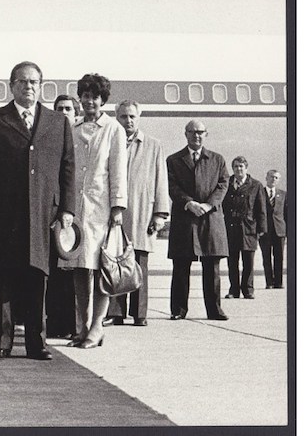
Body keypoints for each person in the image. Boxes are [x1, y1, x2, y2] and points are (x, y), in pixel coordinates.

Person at [0, 61, 75, 361]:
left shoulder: (57, 122)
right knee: (4, 278)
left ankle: (36, 343)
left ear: (41, 86)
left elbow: (68, 168)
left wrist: (68, 208)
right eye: (22, 82)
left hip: (44, 213)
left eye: (34, 82)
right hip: (5, 215)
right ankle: (2, 342)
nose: (28, 87)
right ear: (11, 85)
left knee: (38, 279)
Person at [59, 74, 128, 348]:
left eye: (95, 97)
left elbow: (118, 170)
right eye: (85, 96)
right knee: (78, 267)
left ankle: (97, 326)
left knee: (101, 269)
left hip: (101, 209)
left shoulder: (113, 129)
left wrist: (118, 207)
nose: (89, 101)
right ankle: (82, 326)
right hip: (76, 209)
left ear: (102, 100)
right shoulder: (73, 128)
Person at [105, 100, 169, 327]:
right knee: (115, 263)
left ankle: (140, 313)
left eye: (132, 116)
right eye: (123, 117)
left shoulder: (153, 145)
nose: (128, 121)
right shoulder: (111, 140)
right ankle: (116, 312)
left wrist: (160, 214)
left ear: (138, 117)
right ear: (117, 118)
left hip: (143, 212)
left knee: (140, 264)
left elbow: (161, 181)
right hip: (116, 214)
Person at [167, 119, 229, 321]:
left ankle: (214, 310)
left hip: (210, 219)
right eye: (192, 131)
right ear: (185, 134)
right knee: (181, 266)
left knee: (212, 267)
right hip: (185, 218)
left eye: (200, 132)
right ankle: (178, 310)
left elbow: (223, 184)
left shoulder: (217, 159)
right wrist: (189, 203)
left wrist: (209, 204)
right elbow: (172, 186)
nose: (197, 135)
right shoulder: (174, 160)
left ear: (206, 134)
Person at [46, 94, 81, 338]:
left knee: (73, 272)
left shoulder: (80, 135)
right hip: (55, 210)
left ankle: (72, 324)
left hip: (77, 210)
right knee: (56, 271)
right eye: (59, 108)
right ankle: (56, 323)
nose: (64, 112)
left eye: (68, 108)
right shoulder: (51, 134)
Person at [222, 156, 267, 300]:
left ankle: (248, 290)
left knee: (248, 261)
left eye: (241, 166)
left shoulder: (256, 185)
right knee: (232, 261)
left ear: (246, 168)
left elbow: (261, 208)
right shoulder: (227, 183)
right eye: (235, 166)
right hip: (230, 228)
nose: (238, 169)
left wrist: (262, 229)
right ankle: (233, 290)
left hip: (248, 228)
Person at [259, 170, 287, 289]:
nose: (273, 179)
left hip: (279, 230)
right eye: (271, 177)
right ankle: (269, 282)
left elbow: (286, 213)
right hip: (265, 230)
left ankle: (279, 282)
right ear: (266, 177)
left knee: (279, 256)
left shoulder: (283, 194)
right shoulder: (260, 193)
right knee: (266, 257)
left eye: (276, 178)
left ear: (278, 180)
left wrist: (288, 232)